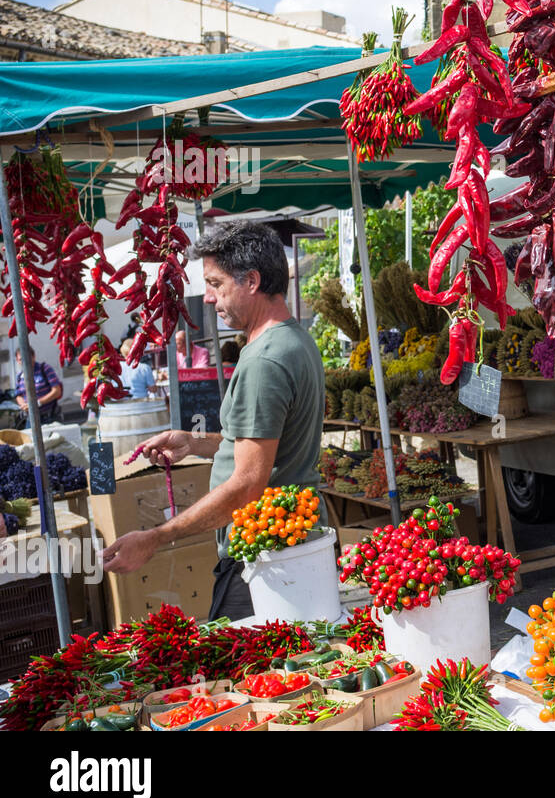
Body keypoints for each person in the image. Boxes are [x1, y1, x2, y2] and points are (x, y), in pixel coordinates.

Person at [102, 221, 324, 620]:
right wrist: (196, 442)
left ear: (252, 281)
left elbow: (246, 487)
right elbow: (268, 442)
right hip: (285, 548)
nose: (207, 298)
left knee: (249, 677)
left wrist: (157, 536)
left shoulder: (265, 360)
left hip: (265, 556)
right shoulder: (295, 339)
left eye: (215, 283)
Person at [14, 348, 63, 426]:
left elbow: (57, 391)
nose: (24, 362)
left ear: (33, 356)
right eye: (20, 359)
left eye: (27, 357)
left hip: (49, 418)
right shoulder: (19, 376)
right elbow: (18, 395)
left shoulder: (45, 369)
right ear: (17, 361)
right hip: (30, 420)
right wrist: (24, 405)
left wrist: (38, 403)